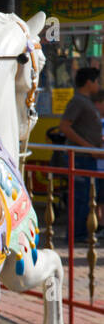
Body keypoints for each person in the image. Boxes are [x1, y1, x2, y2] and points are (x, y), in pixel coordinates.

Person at [59, 66, 103, 239]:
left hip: (88, 157)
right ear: (88, 83)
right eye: (97, 81)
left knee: (87, 197)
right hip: (81, 158)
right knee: (80, 198)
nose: (98, 85)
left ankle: (82, 232)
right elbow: (64, 126)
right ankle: (77, 234)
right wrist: (88, 147)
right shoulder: (78, 101)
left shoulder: (87, 101)